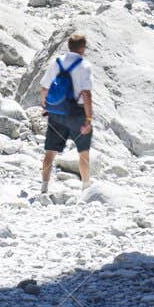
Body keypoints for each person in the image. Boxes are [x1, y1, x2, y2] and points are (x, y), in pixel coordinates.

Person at [40, 32, 93, 193]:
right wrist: (89, 118)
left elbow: (44, 88)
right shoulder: (85, 65)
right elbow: (86, 94)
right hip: (77, 113)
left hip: (56, 112)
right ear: (83, 48)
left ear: (68, 46)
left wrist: (46, 106)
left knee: (50, 151)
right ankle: (85, 187)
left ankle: (44, 187)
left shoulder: (58, 62)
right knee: (83, 151)